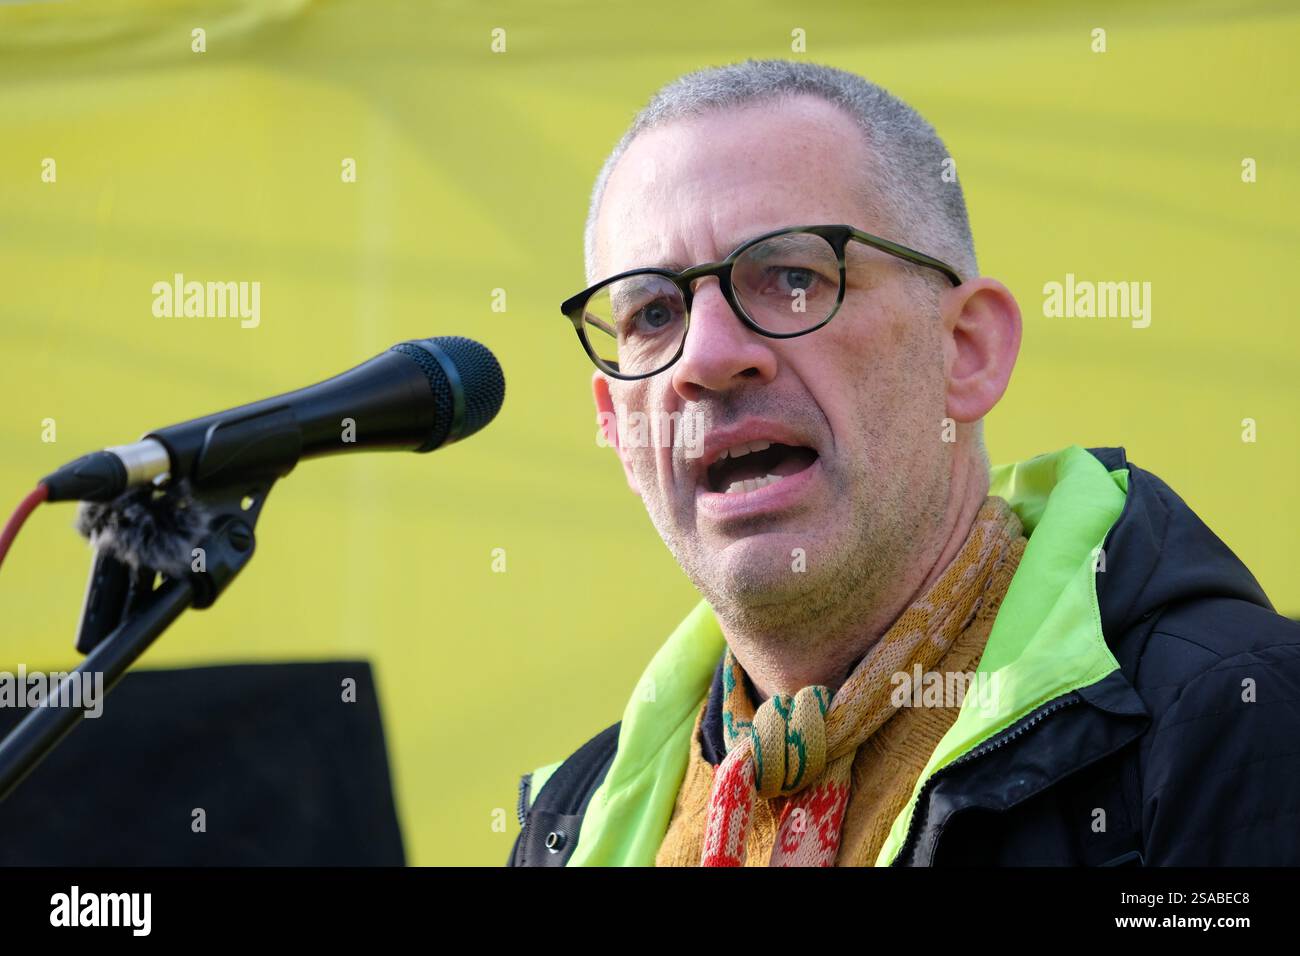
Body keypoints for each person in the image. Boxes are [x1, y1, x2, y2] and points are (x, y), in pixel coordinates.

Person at [509, 58, 1300, 867]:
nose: (703, 358)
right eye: (651, 312)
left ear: (966, 350)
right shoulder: (565, 825)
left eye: (791, 278)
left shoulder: (1235, 722)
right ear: (615, 424)